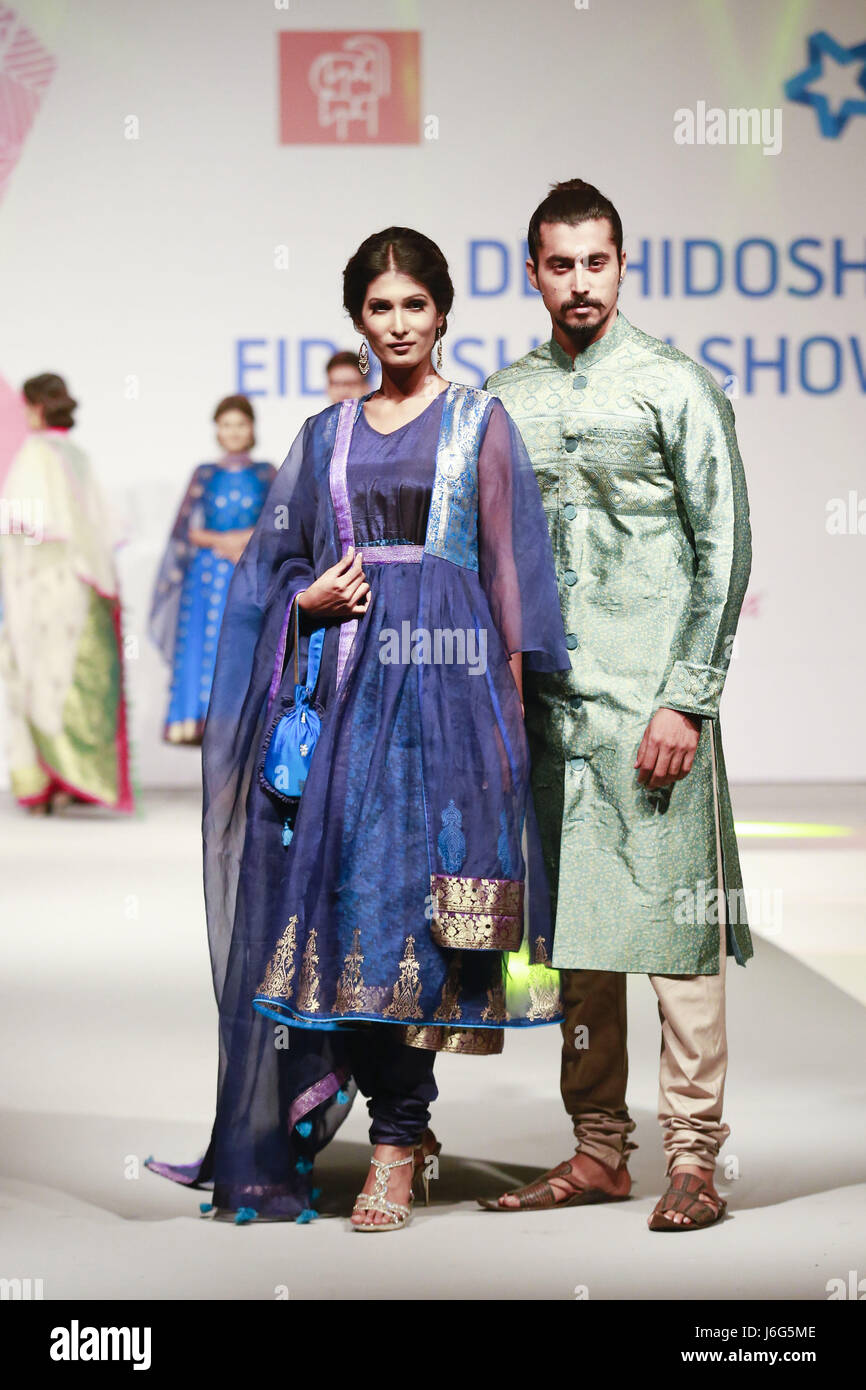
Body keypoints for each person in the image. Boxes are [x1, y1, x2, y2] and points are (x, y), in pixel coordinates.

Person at [146, 227, 570, 1231]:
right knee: (357, 916)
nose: (397, 325)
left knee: (430, 925)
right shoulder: (324, 435)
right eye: (379, 308)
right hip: (347, 709)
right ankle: (393, 1128)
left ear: (442, 313)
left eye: (413, 306)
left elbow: (511, 575)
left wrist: (507, 724)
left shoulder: (479, 422)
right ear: (356, 320)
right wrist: (305, 600)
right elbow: (266, 571)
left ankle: (395, 1135)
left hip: (451, 710)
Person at [479, 180, 753, 1231]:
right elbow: (490, 557)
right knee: (575, 941)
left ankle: (692, 1156)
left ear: (622, 264)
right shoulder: (505, 395)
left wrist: (686, 699)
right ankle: (597, 1148)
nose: (579, 282)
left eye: (596, 262)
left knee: (674, 942)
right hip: (552, 714)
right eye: (560, 263)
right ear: (533, 270)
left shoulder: (673, 384)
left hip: (654, 711)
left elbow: (721, 548)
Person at [0, 373, 133, 814]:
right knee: (75, 679)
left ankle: (46, 781)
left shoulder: (35, 454)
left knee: (38, 676)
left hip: (43, 586)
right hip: (86, 585)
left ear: (36, 407)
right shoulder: (77, 456)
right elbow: (101, 525)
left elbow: (25, 528)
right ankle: (75, 779)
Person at [149, 395, 275, 745]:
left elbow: (280, 522)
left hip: (248, 572)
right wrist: (223, 543)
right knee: (208, 644)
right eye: (226, 425)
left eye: (240, 424)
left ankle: (244, 725)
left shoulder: (267, 473)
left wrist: (242, 541)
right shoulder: (204, 473)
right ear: (217, 431)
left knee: (245, 647)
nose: (233, 432)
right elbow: (185, 530)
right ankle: (203, 722)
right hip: (206, 578)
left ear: (252, 429)